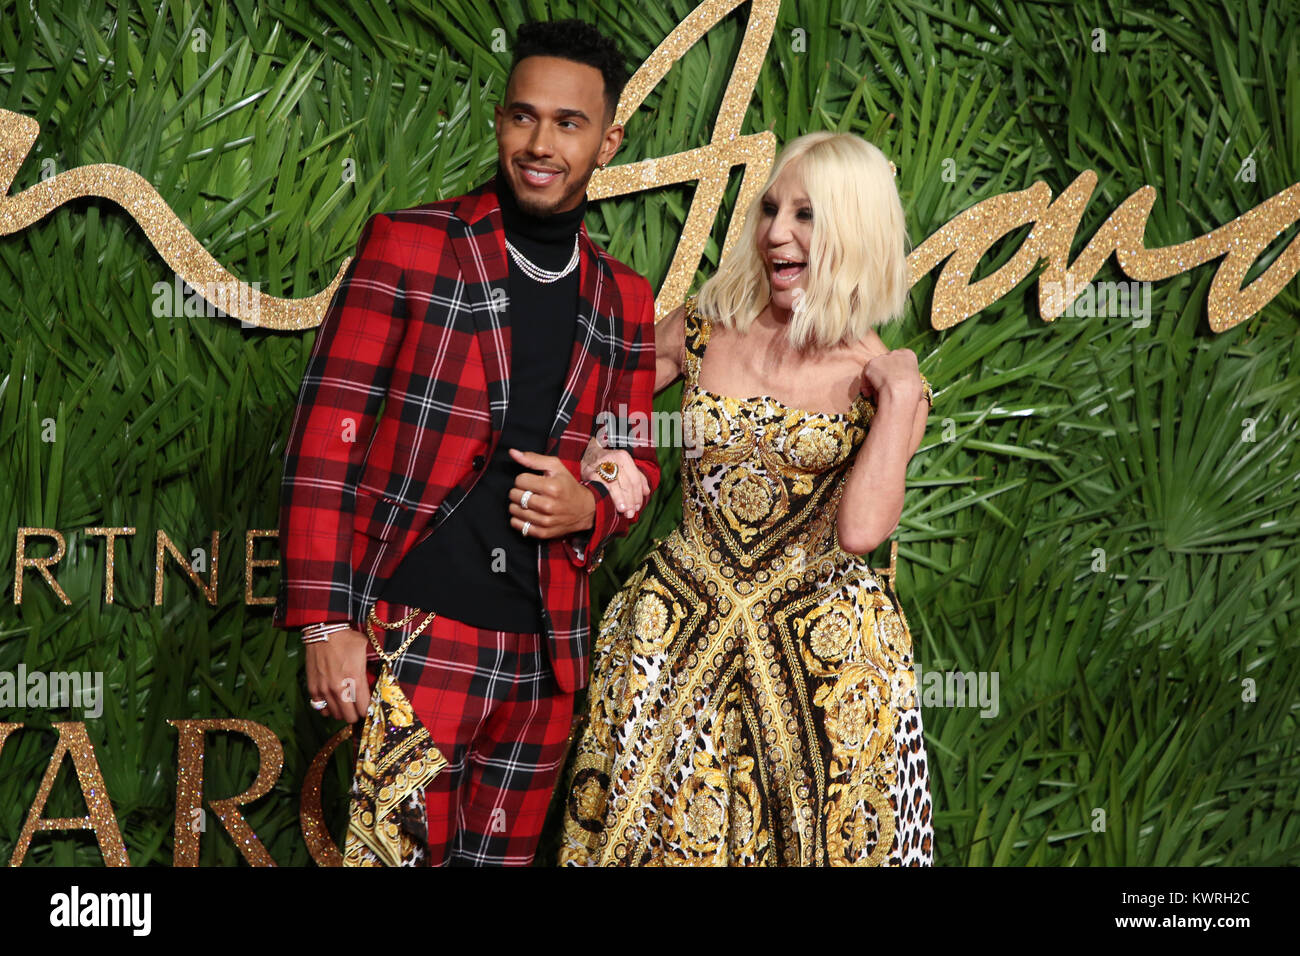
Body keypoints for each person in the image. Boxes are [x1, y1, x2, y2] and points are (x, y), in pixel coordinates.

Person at [274, 19, 660, 867]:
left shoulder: (626, 299)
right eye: (523, 117)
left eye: (569, 123)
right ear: (498, 122)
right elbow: (325, 437)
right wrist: (322, 621)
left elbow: (638, 459)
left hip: (546, 659)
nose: (541, 143)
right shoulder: (411, 244)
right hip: (414, 638)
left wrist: (588, 508)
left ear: (609, 140)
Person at [560, 131, 935, 866]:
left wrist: (896, 397)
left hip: (823, 665)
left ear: (857, 230)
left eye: (806, 215)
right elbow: (594, 417)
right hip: (672, 635)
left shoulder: (886, 379)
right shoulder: (704, 328)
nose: (776, 232)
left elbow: (860, 531)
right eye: (770, 210)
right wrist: (602, 459)